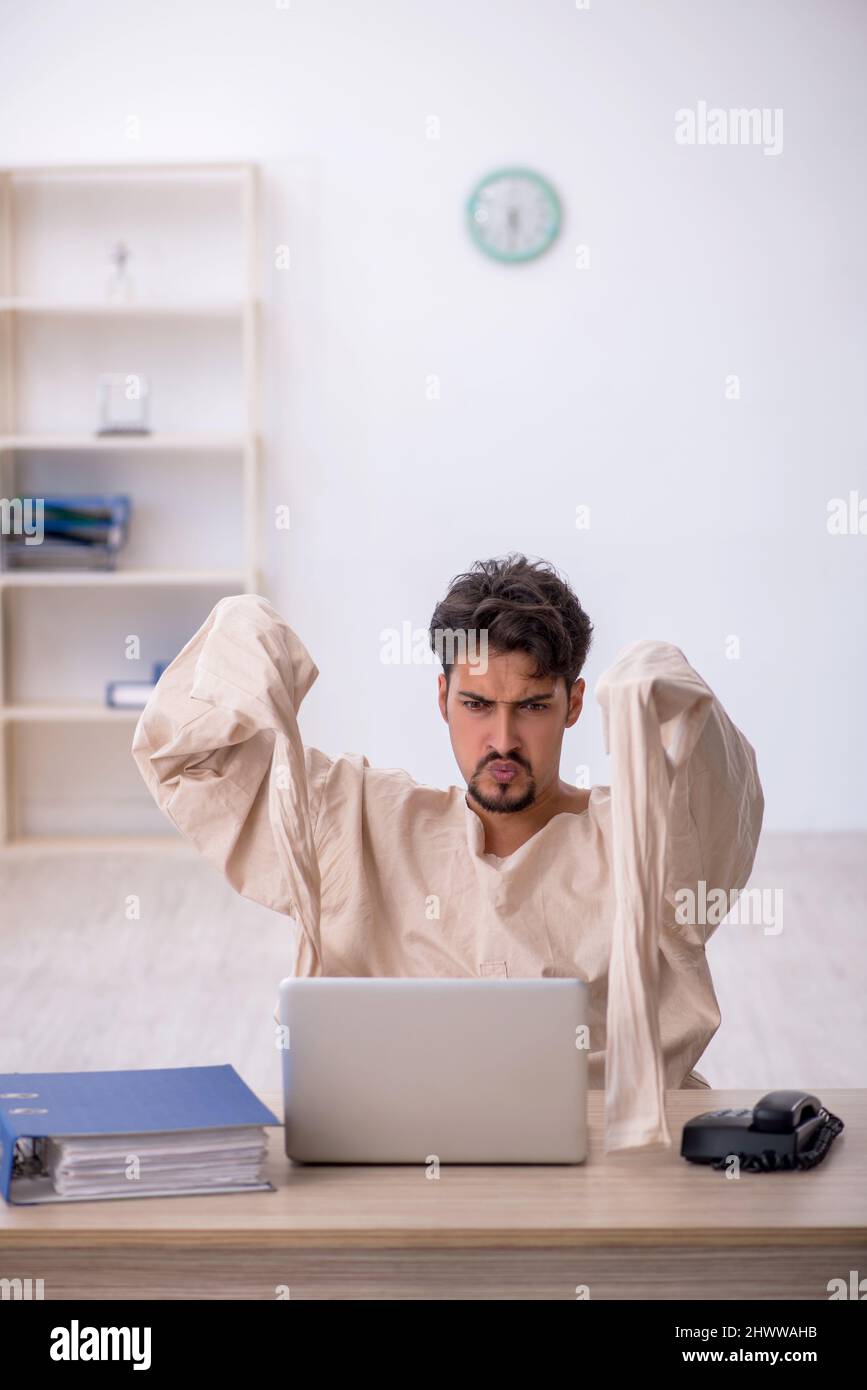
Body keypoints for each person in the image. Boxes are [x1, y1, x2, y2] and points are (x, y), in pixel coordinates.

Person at [132, 553, 764, 1151]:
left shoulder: (641, 836)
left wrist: (669, 689)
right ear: (443, 699)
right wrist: (244, 639)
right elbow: (187, 763)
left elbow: (717, 798)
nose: (504, 740)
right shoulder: (357, 819)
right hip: (394, 1153)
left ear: (573, 705)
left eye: (533, 708)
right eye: (477, 705)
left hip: (609, 1160)